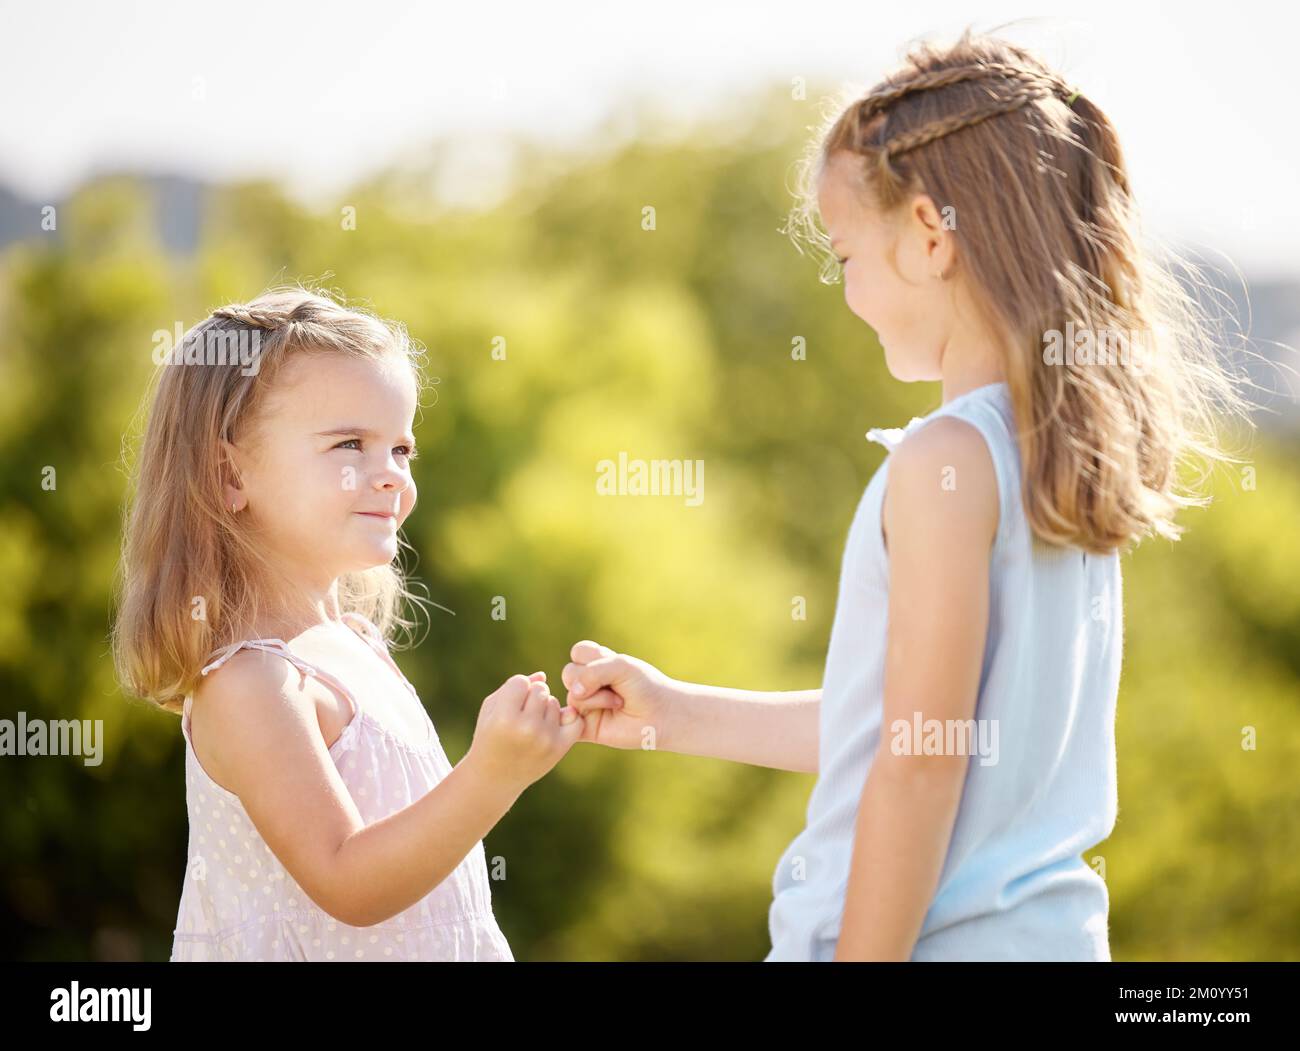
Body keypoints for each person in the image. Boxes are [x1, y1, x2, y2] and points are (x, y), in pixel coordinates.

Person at [559, 28, 1250, 961]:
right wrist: (675, 711)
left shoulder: (944, 465)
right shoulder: (1062, 460)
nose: (844, 296)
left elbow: (920, 764)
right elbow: (909, 723)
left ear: (930, 237)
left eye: (845, 257)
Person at [112, 287, 606, 960]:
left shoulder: (357, 646)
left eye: (401, 449)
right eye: (351, 444)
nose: (391, 478)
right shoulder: (253, 681)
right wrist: (492, 774)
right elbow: (347, 879)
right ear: (229, 474)